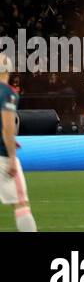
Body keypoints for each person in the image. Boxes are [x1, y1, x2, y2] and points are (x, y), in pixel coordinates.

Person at [0, 56, 36, 231]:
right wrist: (12, 156)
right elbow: (7, 127)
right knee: (21, 204)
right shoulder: (7, 93)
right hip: (2, 156)